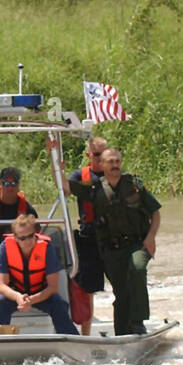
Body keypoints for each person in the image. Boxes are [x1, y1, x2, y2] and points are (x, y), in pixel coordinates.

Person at [61, 147, 160, 335]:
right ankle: (122, 333)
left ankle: (138, 321)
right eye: (111, 162)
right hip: (111, 250)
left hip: (137, 244)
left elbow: (155, 212)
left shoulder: (135, 185)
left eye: (117, 161)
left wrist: (151, 237)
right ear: (102, 165)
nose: (115, 165)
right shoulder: (94, 188)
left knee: (137, 268)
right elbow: (65, 187)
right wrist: (58, 167)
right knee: (122, 293)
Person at [0, 214, 79, 334]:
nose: (27, 241)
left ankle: (69, 341)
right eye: (22, 238)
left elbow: (53, 287)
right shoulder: (4, 247)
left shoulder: (47, 248)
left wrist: (31, 300)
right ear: (15, 237)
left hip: (41, 293)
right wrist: (18, 297)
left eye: (31, 236)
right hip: (16, 294)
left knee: (58, 303)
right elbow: (2, 286)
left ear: (35, 233)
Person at [68, 137, 107, 334]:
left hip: (111, 237)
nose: (102, 158)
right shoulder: (79, 176)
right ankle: (86, 334)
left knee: (122, 284)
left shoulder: (115, 176)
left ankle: (127, 326)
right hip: (89, 238)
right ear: (89, 155)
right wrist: (56, 164)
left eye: (105, 153)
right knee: (87, 289)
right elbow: (65, 189)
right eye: (98, 154)